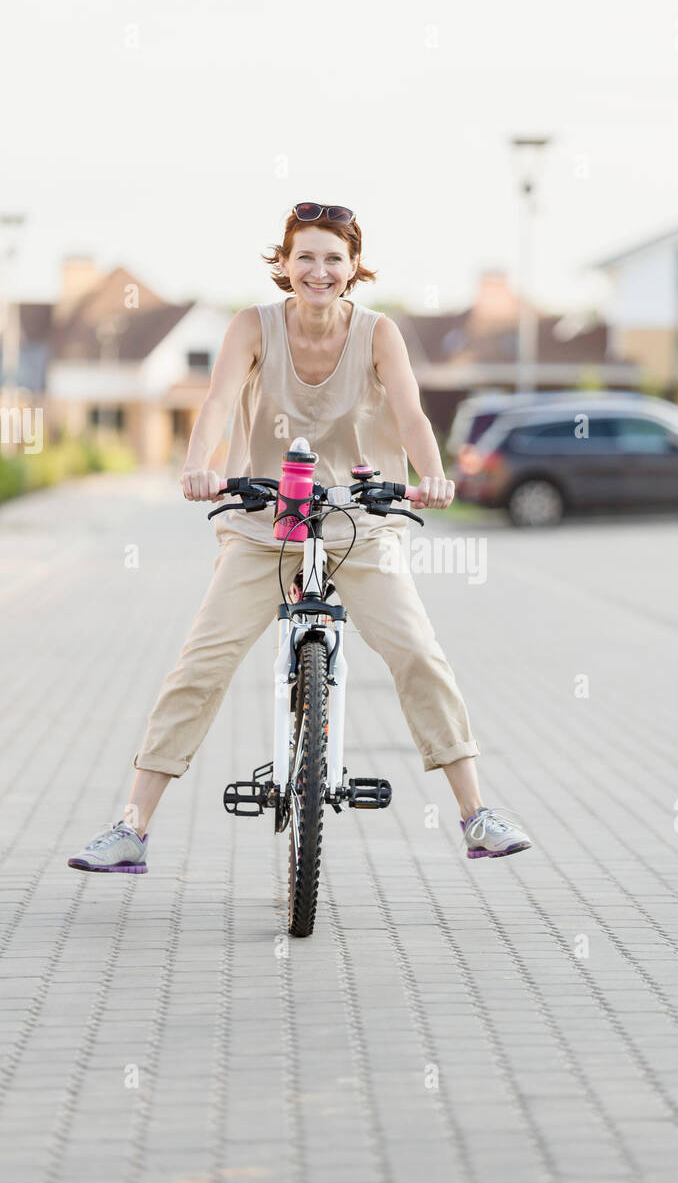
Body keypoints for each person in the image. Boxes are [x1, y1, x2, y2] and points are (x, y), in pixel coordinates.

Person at [67, 203, 531, 873]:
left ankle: (476, 815)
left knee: (419, 655)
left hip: (358, 521)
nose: (319, 270)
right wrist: (199, 466)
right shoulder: (251, 327)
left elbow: (410, 413)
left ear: (353, 268)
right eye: (305, 257)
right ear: (283, 264)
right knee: (201, 664)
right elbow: (219, 403)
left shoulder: (378, 335)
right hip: (265, 524)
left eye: (333, 258)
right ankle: (132, 825)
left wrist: (432, 476)